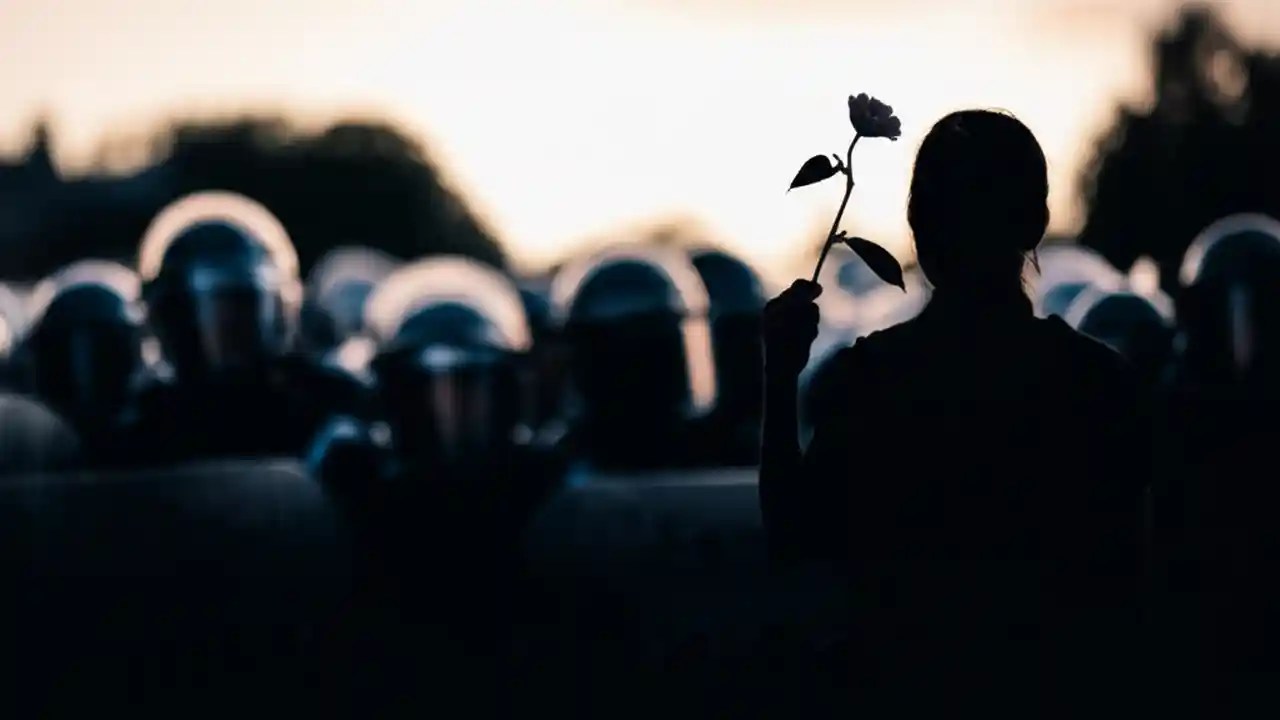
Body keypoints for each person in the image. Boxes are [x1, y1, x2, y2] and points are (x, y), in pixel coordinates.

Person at [760, 110, 1150, 713]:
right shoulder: (1101, 383)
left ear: (917, 230)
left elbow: (794, 534)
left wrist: (779, 376)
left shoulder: (873, 382)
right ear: (1036, 223)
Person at [120, 191, 372, 467]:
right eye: (214, 312)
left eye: (242, 309)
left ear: (276, 308)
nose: (229, 328)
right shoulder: (148, 416)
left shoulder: (325, 400)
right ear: (169, 320)